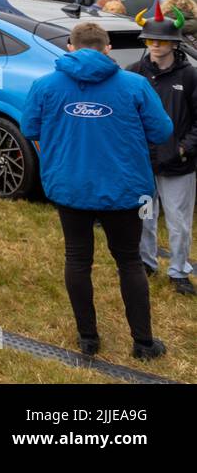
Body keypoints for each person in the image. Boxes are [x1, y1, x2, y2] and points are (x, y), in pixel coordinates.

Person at [21, 21, 173, 360]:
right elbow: (162, 130)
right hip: (123, 188)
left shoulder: (45, 85)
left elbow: (30, 127)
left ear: (71, 48)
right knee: (130, 261)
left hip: (70, 187)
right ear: (108, 49)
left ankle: (88, 338)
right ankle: (143, 344)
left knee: (77, 259)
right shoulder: (135, 85)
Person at [127, 3, 197, 293]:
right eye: (150, 40)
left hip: (178, 166)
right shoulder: (133, 73)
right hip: (143, 165)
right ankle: (146, 262)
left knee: (179, 222)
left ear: (174, 42)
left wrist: (183, 149)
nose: (155, 45)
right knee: (145, 217)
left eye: (162, 40)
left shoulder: (190, 76)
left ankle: (179, 271)